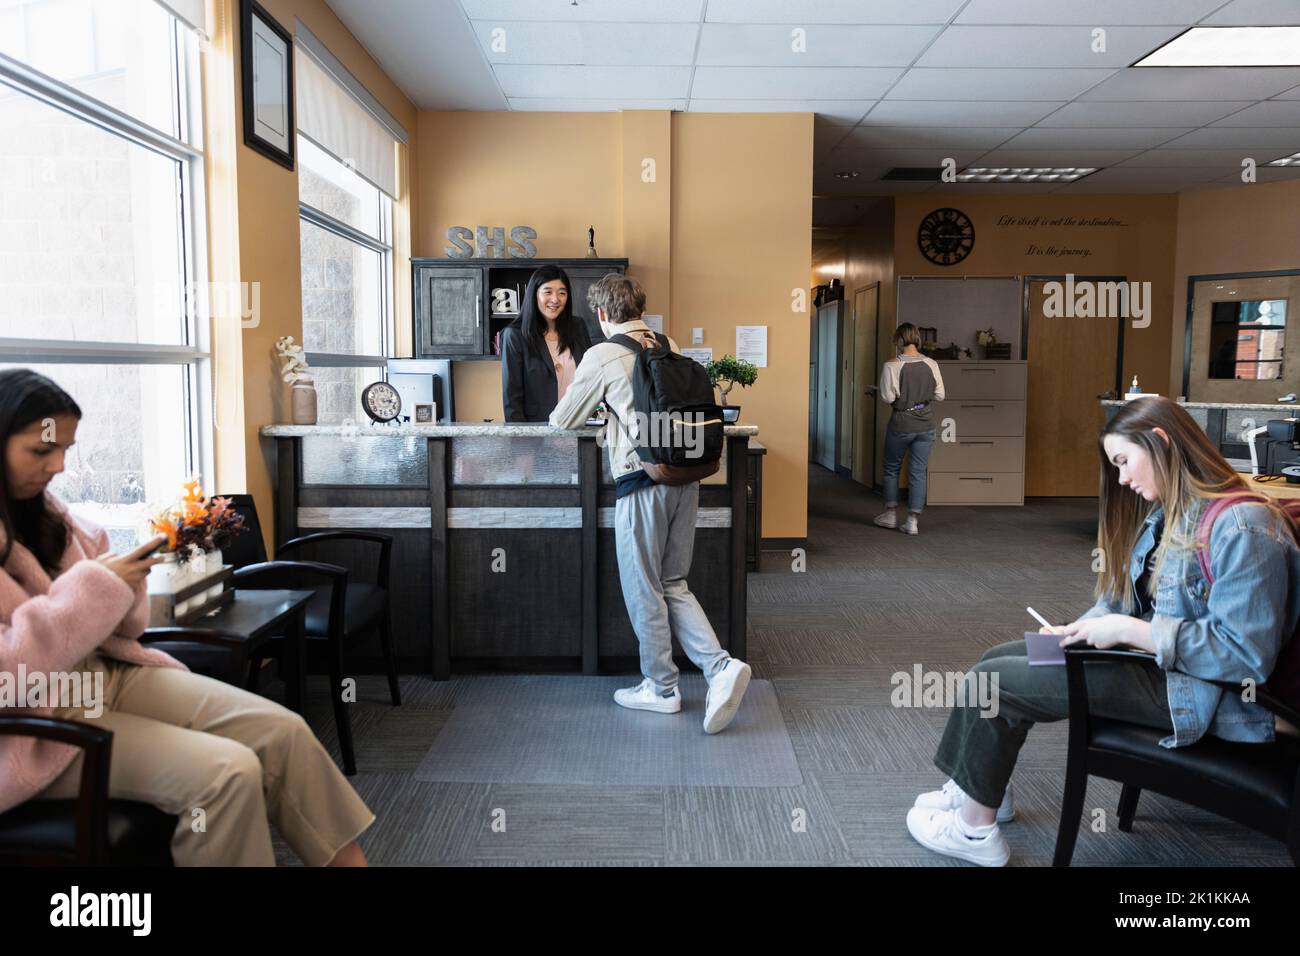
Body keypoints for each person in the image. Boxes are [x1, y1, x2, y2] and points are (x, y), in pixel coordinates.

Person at [0, 369, 374, 866]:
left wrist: (122, 582)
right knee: (228, 774)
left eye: (66, 450)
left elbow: (123, 629)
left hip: (102, 676)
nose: (57, 466)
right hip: (31, 723)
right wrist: (99, 585)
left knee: (282, 733)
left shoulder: (45, 514)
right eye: (41, 451)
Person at [906, 396, 1300, 866]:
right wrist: (1081, 628)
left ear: (1160, 442)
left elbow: (1242, 658)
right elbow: (1125, 602)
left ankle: (974, 830)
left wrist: (1130, 632)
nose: (1122, 479)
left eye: (1124, 462)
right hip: (1160, 667)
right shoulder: (1176, 510)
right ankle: (980, 784)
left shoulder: (1243, 525)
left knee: (998, 684)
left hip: (1201, 691)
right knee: (997, 657)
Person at [548, 274, 752, 733]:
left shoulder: (602, 354)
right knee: (673, 581)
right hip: (684, 475)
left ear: (601, 314)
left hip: (641, 482)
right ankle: (719, 668)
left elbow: (562, 421)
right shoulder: (666, 342)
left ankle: (661, 688)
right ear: (641, 307)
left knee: (644, 586)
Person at [874, 323, 945, 535]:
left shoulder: (891, 365)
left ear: (899, 340)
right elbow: (940, 395)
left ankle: (890, 514)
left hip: (901, 424)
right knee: (918, 472)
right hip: (925, 425)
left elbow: (888, 397)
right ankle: (913, 521)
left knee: (891, 468)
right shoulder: (931, 364)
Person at [501, 265, 592, 422]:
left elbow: (591, 376)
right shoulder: (515, 335)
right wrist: (520, 440)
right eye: (548, 292)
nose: (555, 299)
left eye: (562, 293)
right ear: (534, 295)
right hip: (539, 430)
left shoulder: (578, 326)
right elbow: (512, 397)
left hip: (578, 424)